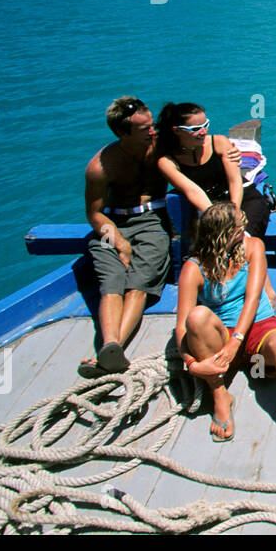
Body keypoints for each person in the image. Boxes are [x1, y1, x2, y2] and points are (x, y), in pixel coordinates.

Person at [175, 203, 276, 477]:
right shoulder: (193, 269)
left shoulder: (252, 247)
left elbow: (253, 300)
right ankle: (220, 393)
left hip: (255, 326)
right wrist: (192, 365)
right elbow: (182, 327)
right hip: (219, 335)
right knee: (196, 318)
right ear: (220, 236)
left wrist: (236, 343)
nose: (243, 232)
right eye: (237, 229)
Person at [79, 97, 171, 379]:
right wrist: (118, 240)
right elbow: (94, 215)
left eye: (152, 125)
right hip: (112, 223)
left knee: (139, 283)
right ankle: (111, 347)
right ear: (122, 133)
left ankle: (109, 351)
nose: (152, 131)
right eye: (144, 129)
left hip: (152, 220)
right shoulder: (101, 166)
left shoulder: (161, 146)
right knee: (112, 283)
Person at [155, 102, 276, 308]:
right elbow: (193, 191)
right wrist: (218, 218)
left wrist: (234, 213)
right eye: (195, 129)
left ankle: (269, 295)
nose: (203, 131)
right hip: (209, 210)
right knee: (215, 244)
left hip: (244, 200)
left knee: (242, 237)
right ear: (177, 131)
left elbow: (235, 181)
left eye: (206, 124)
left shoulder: (219, 142)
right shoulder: (167, 162)